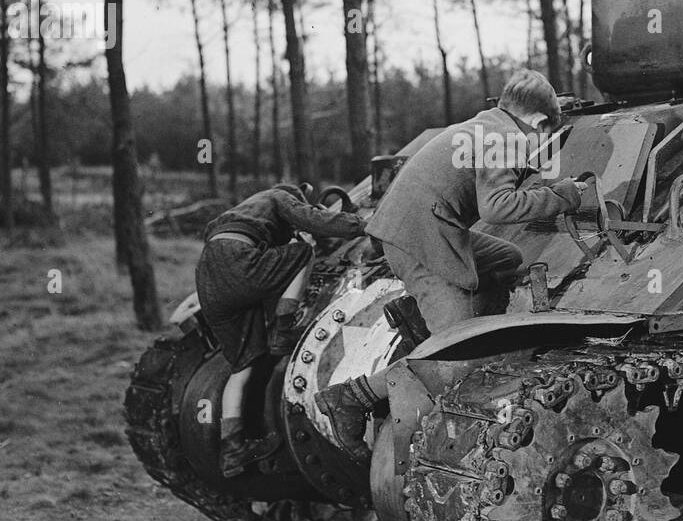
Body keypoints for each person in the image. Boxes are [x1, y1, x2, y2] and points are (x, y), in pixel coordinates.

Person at [316, 69, 589, 460]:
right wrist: (562, 196)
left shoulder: (486, 125)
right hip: (422, 239)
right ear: (540, 122)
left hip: (413, 228)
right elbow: (496, 206)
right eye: (545, 136)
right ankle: (352, 397)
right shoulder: (506, 138)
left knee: (506, 258)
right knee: (456, 352)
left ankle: (465, 319)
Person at [197, 183, 367, 477]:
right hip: (238, 261)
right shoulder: (280, 196)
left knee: (243, 365)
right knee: (301, 254)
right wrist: (363, 225)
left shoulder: (241, 211)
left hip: (209, 279)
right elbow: (315, 220)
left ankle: (232, 449)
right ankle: (284, 328)